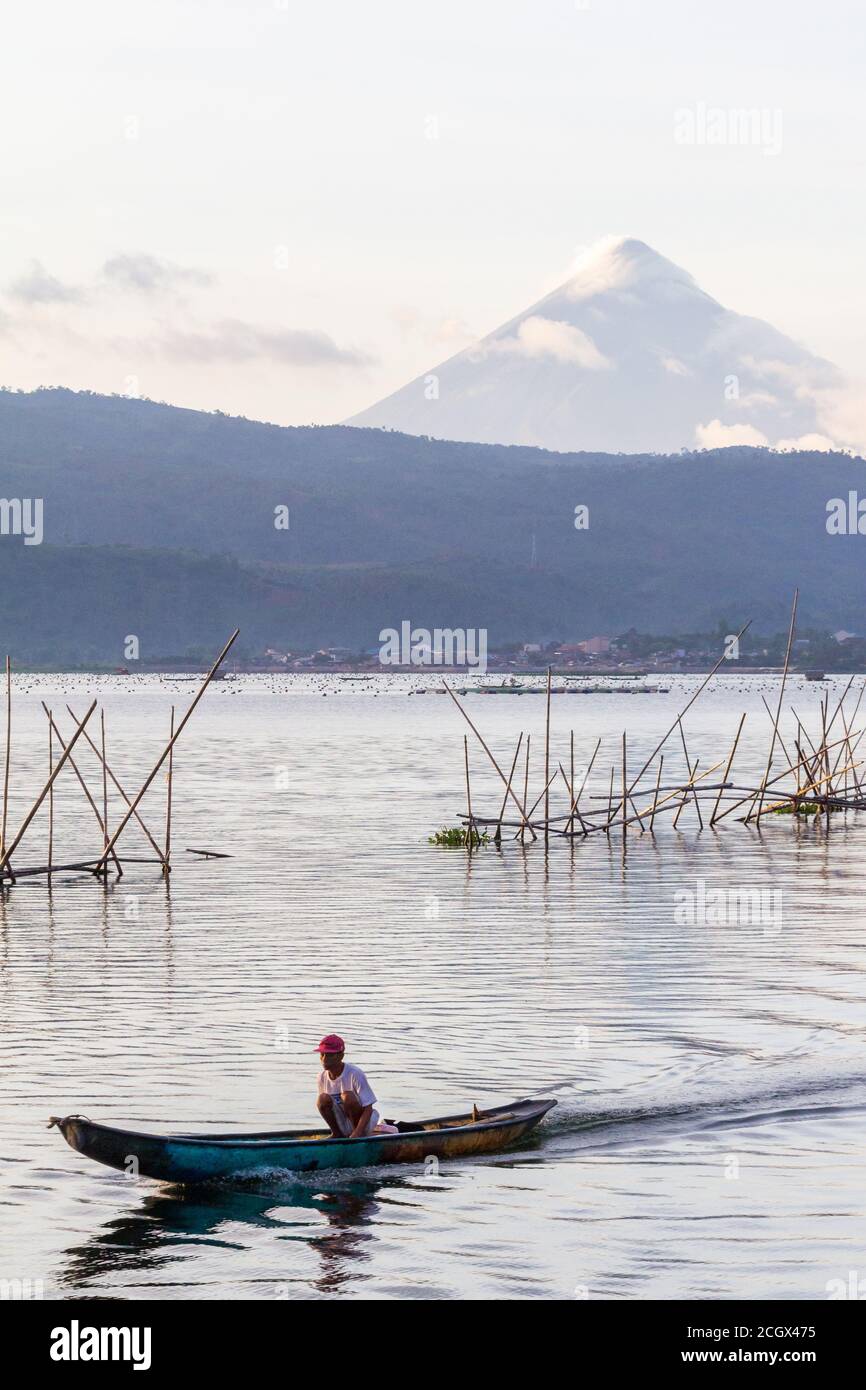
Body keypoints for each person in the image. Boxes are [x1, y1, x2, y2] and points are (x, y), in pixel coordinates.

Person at [315, 1033, 395, 1138]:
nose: (324, 1059)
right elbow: (326, 1106)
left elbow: (368, 1108)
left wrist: (357, 1132)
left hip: (363, 1124)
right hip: (342, 1123)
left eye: (330, 1055)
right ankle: (337, 1134)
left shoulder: (355, 1073)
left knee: (347, 1096)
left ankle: (358, 1135)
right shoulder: (321, 1077)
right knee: (322, 1099)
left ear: (341, 1056)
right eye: (322, 1054)